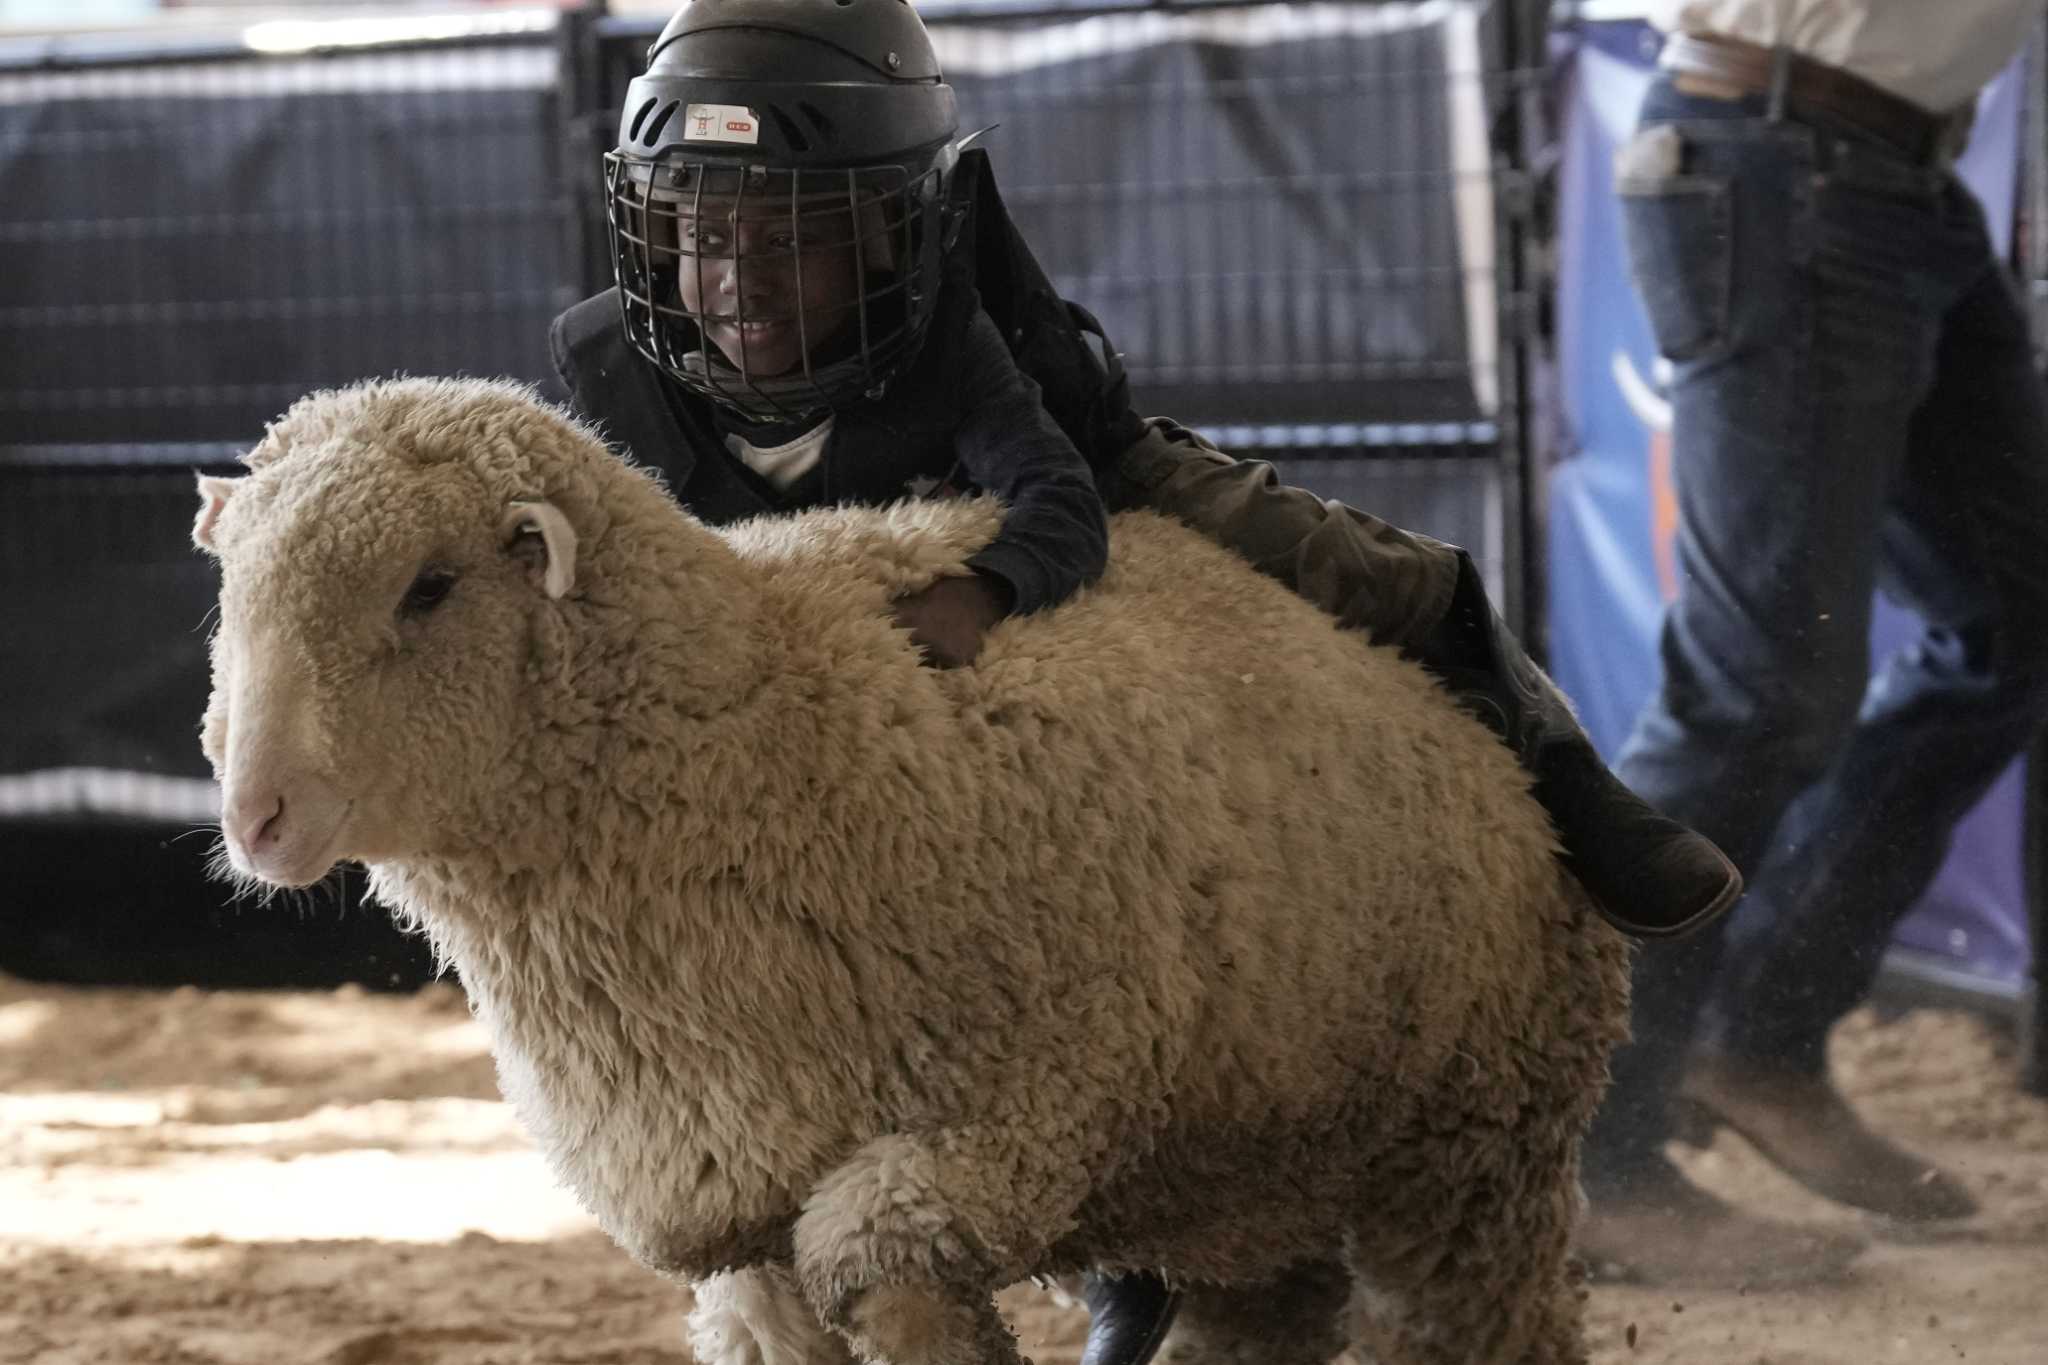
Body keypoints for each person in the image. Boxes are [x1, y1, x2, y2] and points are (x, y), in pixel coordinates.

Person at [550, 0, 1742, 1352]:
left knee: (1378, 575)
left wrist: (988, 586)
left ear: (891, 225)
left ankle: (1582, 796)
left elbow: (1059, 497)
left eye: (786, 232)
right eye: (699, 229)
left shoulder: (961, 335)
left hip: (1065, 497)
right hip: (841, 737)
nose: (735, 277)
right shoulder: (610, 375)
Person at [1581, 0, 2048, 1286]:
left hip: (1889, 179)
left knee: (2010, 623)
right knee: (1755, 692)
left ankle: (1761, 1037)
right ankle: (1587, 1154)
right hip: (1780, 158)